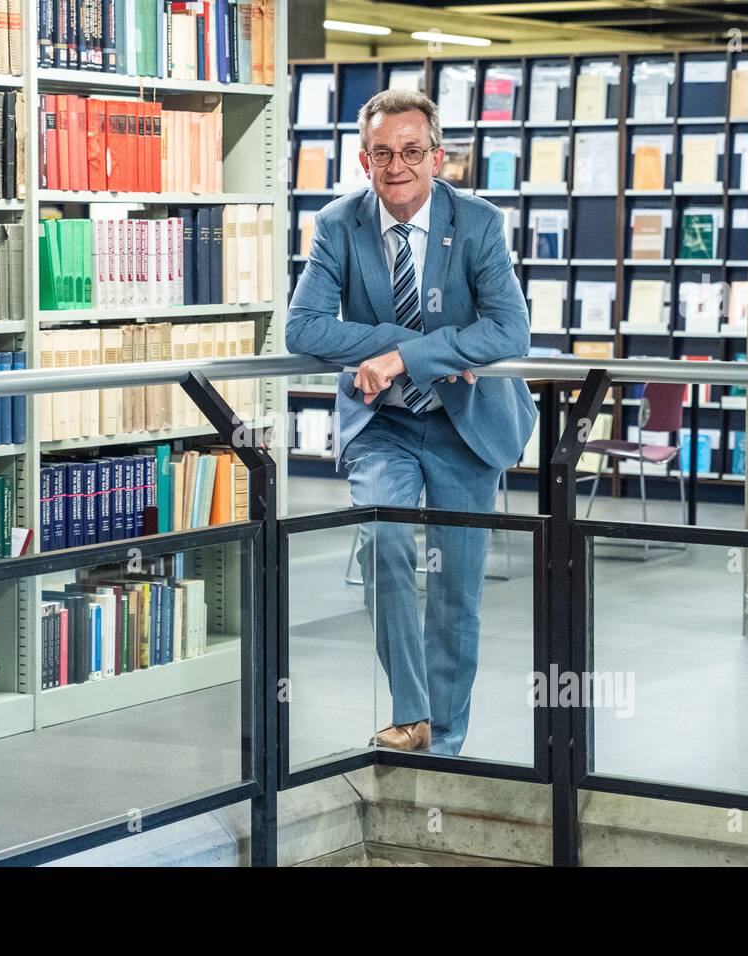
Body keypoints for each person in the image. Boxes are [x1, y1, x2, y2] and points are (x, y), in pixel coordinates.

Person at [285, 89, 536, 756]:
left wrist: (404, 355)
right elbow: (301, 327)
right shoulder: (340, 224)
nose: (398, 165)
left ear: (439, 158)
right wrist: (405, 351)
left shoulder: (477, 223)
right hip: (385, 426)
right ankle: (412, 714)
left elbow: (512, 330)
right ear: (364, 160)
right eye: (382, 153)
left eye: (412, 151)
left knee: (457, 586)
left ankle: (445, 743)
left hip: (465, 426)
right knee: (385, 542)